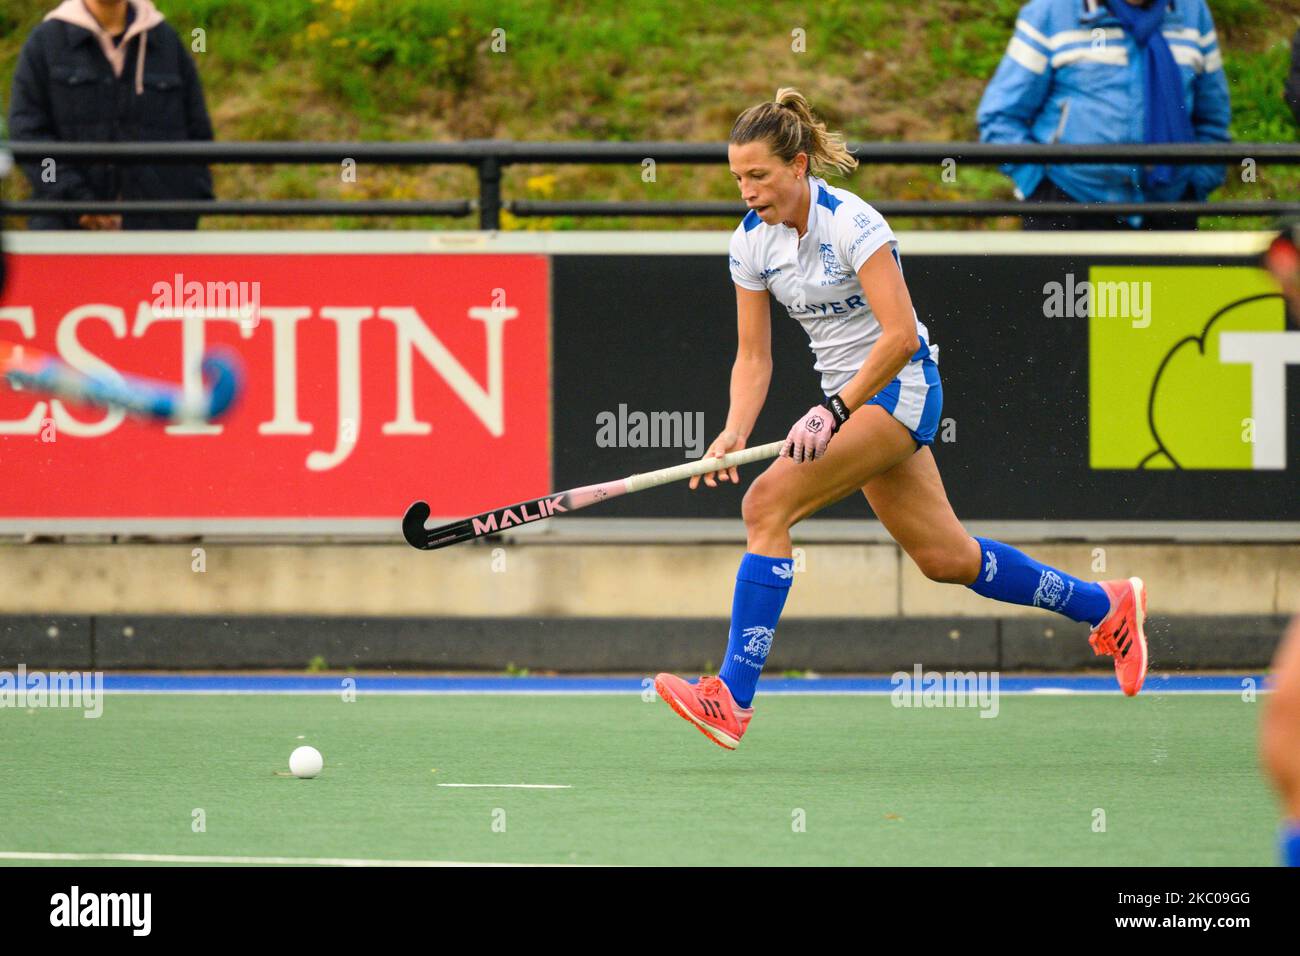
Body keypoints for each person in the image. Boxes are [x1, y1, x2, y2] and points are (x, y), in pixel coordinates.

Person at [654, 89, 1148, 751]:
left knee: (764, 506)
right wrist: (735, 429)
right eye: (738, 177)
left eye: (760, 175)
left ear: (798, 166)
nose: (747, 190)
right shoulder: (750, 244)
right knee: (947, 559)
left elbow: (899, 339)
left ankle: (731, 699)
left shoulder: (853, 225)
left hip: (901, 391)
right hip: (853, 405)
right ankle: (1105, 604)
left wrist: (833, 410)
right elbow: (753, 356)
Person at [977, 0, 1230, 231]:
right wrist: (1039, 187)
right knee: (1066, 284)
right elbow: (999, 116)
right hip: (1070, 207)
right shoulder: (1051, 12)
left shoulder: (1193, 13)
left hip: (1168, 210)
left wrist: (1194, 186)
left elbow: (1213, 120)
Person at [8, 0, 213, 231]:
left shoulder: (166, 41)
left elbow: (198, 132)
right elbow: (29, 138)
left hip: (160, 234)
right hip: (66, 234)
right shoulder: (45, 43)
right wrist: (72, 197)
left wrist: (193, 195)